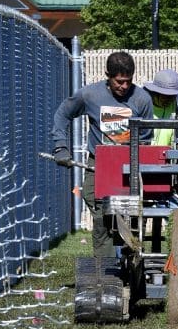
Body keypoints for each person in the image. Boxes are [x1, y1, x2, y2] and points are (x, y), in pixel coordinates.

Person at [51, 51, 153, 258]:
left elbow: (146, 137)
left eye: (128, 81)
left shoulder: (142, 99)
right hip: (98, 164)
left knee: (129, 215)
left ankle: (130, 259)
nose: (124, 87)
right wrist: (61, 146)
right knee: (100, 216)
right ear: (108, 75)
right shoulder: (90, 95)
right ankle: (105, 269)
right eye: (119, 81)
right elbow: (63, 114)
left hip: (130, 165)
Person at [143, 68, 178, 146]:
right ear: (155, 92)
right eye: (165, 96)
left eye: (173, 96)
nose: (169, 99)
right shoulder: (142, 106)